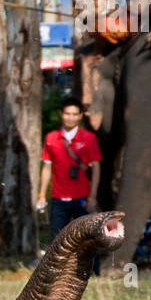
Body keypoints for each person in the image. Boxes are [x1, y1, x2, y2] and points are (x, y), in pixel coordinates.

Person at [37, 97, 103, 242]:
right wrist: (41, 194)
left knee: (86, 240)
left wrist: (92, 196)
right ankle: (62, 266)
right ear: (61, 114)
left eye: (74, 114)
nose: (70, 118)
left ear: (80, 116)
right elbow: (47, 167)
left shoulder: (89, 138)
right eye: (67, 114)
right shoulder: (51, 138)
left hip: (82, 198)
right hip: (58, 198)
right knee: (58, 240)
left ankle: (91, 266)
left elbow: (96, 169)